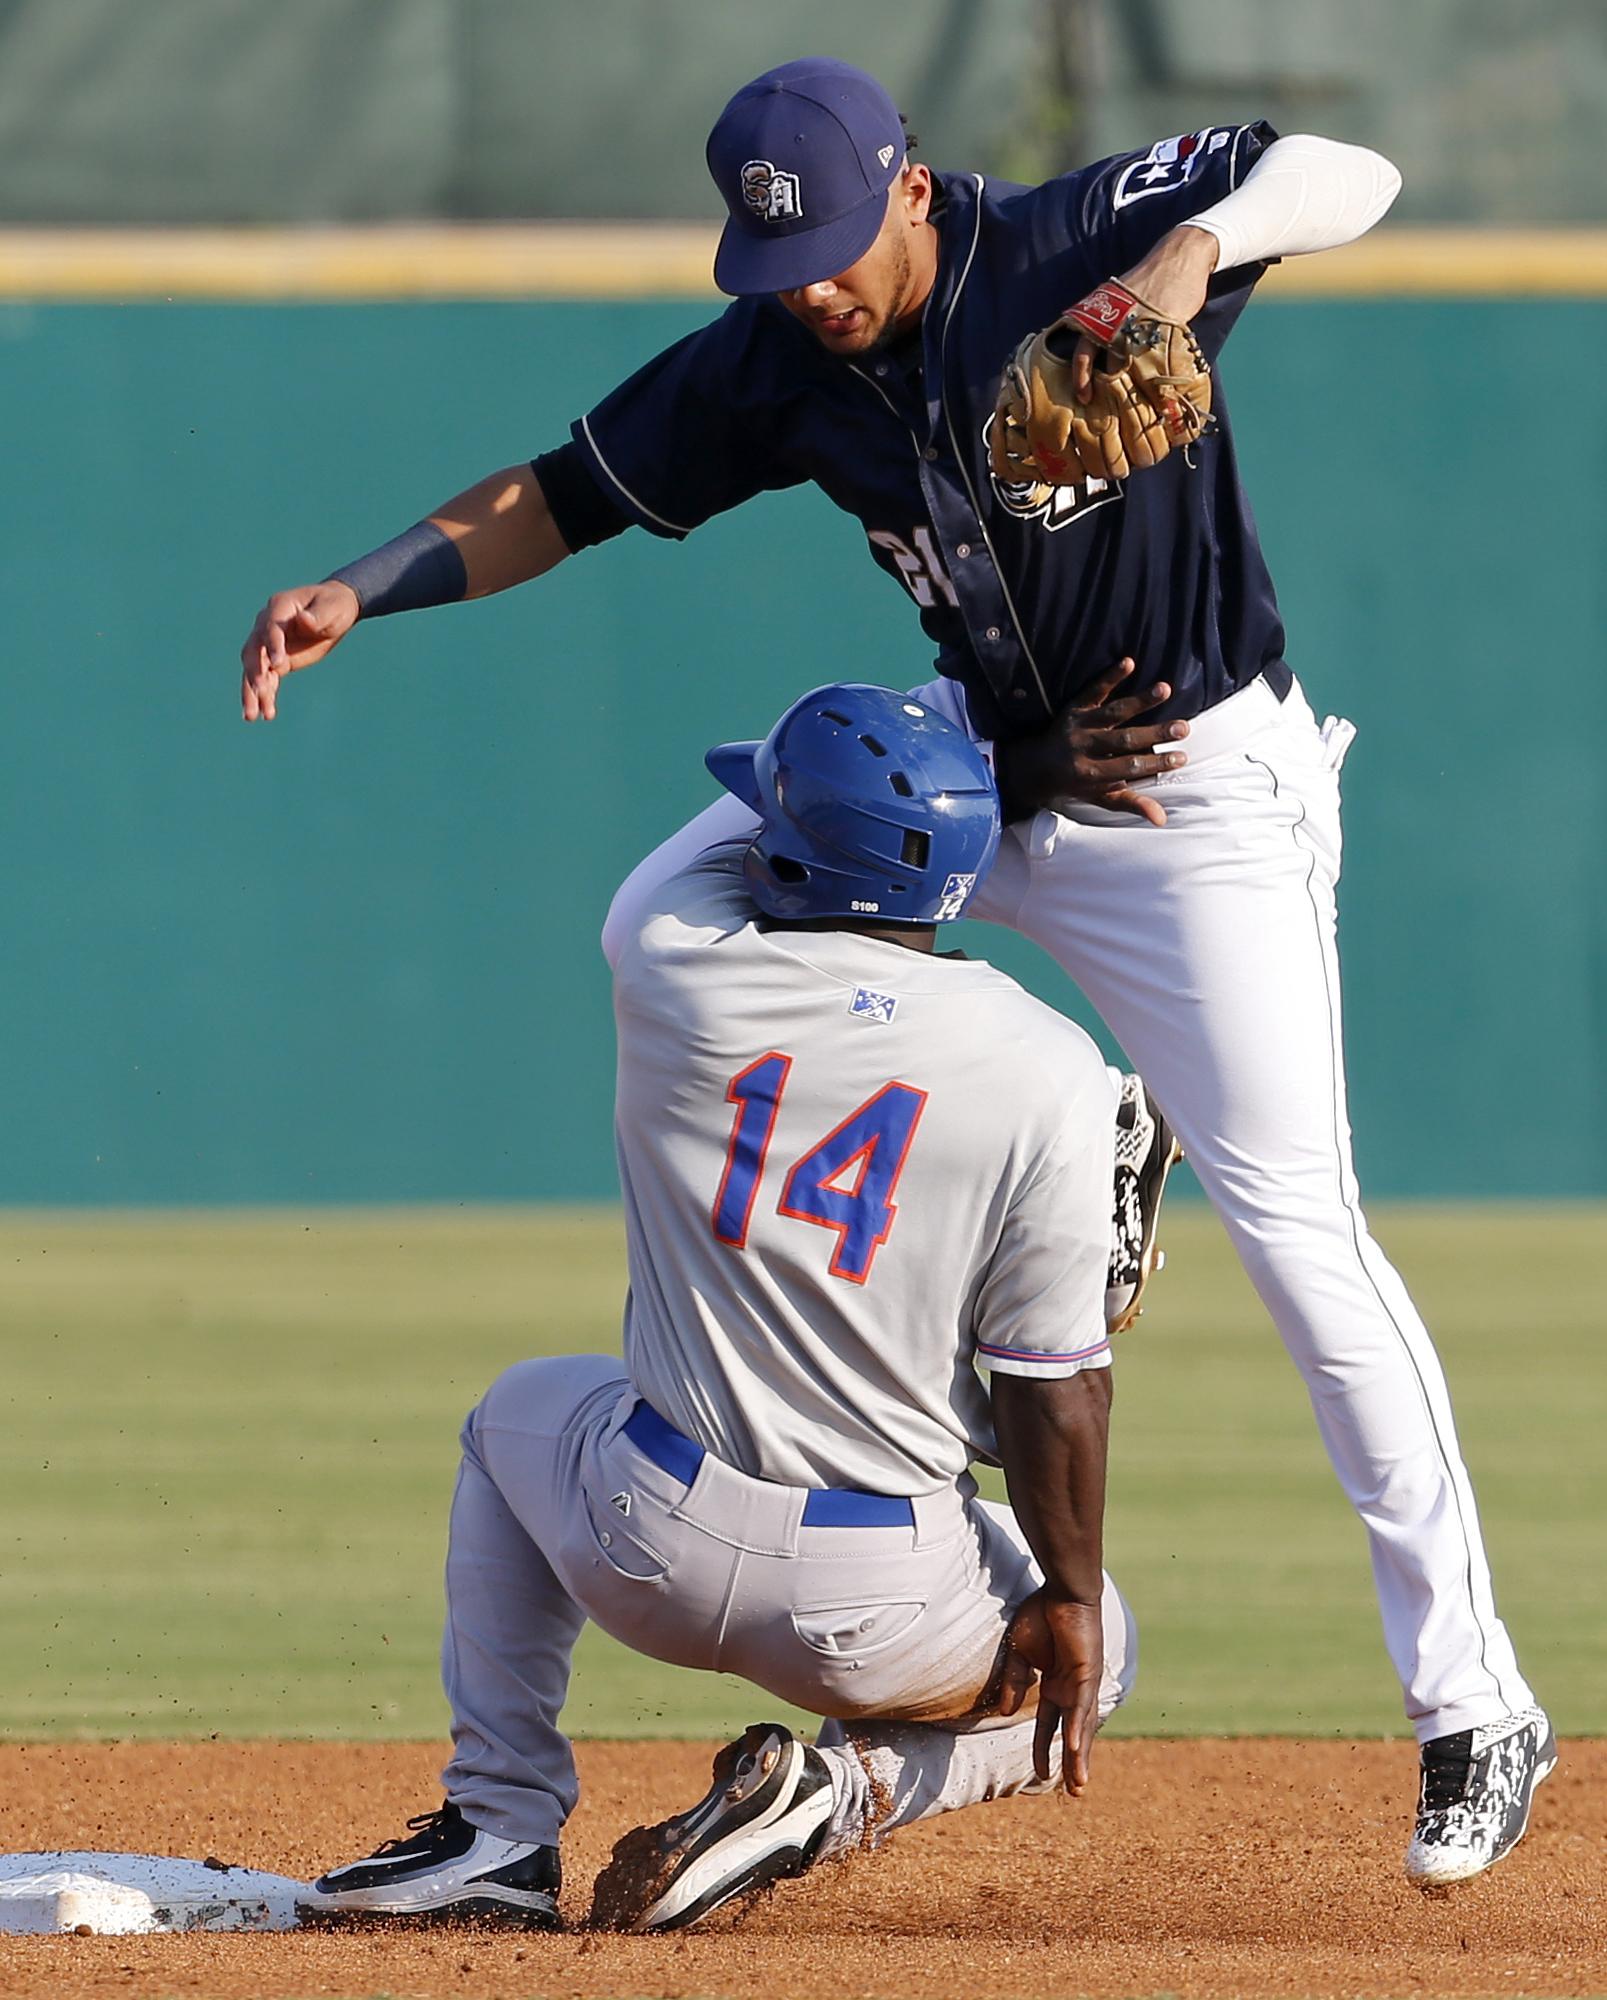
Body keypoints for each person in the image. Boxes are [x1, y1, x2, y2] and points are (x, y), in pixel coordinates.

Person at [241, 59, 1552, 1888]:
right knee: (681, 899)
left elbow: (1351, 167)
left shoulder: (1067, 244)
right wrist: (363, 585)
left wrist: (1188, 260)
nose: (813, 292)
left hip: (1183, 789)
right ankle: (1040, 1200)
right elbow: (567, 491)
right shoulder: (775, 360)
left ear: (913, 192)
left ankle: (1472, 1703)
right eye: (778, 269)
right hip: (979, 769)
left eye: (838, 253)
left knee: (1302, 1235)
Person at [301, 684, 1142, 1933]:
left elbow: (722, 841)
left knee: (511, 1413)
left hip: (642, 1537)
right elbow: (1049, 1383)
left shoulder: (675, 962)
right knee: (1101, 1639)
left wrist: (972, 725)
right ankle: (835, 1793)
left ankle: (498, 1825)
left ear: (800, 851)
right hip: (882, 1604)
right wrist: (1064, 1588)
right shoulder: (1054, 1070)